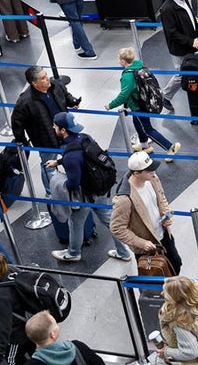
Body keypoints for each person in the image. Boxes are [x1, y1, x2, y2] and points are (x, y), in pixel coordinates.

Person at [45, 112, 133, 263]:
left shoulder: (70, 156)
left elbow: (73, 183)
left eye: (55, 125)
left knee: (75, 224)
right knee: (109, 221)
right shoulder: (85, 138)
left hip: (85, 196)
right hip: (101, 189)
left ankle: (73, 253)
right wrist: (59, 162)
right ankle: (124, 252)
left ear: (63, 130)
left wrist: (58, 181)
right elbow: (84, 159)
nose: (53, 127)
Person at [11, 66, 82, 192]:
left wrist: (72, 101)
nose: (48, 79)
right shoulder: (25, 101)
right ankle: (51, 193)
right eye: (43, 78)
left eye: (46, 75)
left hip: (66, 136)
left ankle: (76, 188)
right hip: (46, 140)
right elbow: (17, 122)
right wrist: (22, 140)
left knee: (73, 161)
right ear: (34, 83)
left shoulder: (56, 85)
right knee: (49, 167)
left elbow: (65, 95)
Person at [110, 151, 183, 273]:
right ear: (136, 173)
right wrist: (141, 243)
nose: (153, 172)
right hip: (146, 247)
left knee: (175, 263)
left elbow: (161, 197)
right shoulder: (124, 199)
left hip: (163, 235)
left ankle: (171, 290)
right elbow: (116, 228)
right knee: (153, 275)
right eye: (148, 170)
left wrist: (166, 212)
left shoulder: (153, 179)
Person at [108, 48, 181, 155]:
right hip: (145, 102)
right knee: (137, 123)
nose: (119, 62)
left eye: (119, 60)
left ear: (123, 61)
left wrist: (110, 105)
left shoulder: (127, 76)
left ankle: (170, 147)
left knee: (147, 129)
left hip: (138, 106)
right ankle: (144, 145)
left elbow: (124, 95)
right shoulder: (139, 67)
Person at [158, 0, 198, 110]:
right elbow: (171, 33)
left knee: (192, 69)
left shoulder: (184, 1)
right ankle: (165, 96)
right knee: (182, 74)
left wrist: (197, 34)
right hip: (180, 48)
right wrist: (190, 41)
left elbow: (191, 20)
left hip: (192, 43)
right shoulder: (167, 9)